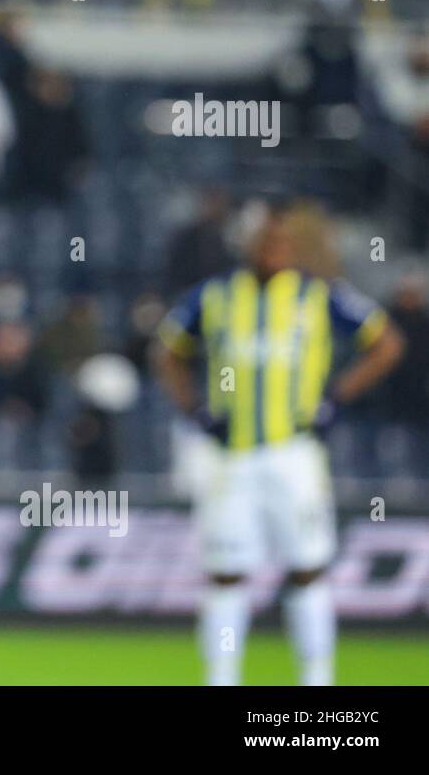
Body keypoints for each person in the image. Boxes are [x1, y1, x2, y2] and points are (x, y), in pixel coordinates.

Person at [152, 204, 404, 686]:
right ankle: (222, 677)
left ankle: (316, 680)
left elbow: (386, 342)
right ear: (247, 246)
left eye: (281, 242)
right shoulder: (216, 296)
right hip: (232, 457)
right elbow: (166, 350)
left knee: (307, 569)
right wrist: (196, 409)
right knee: (226, 573)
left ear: (292, 248)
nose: (273, 250)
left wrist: (335, 397)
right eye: (264, 242)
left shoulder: (319, 295)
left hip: (294, 452)